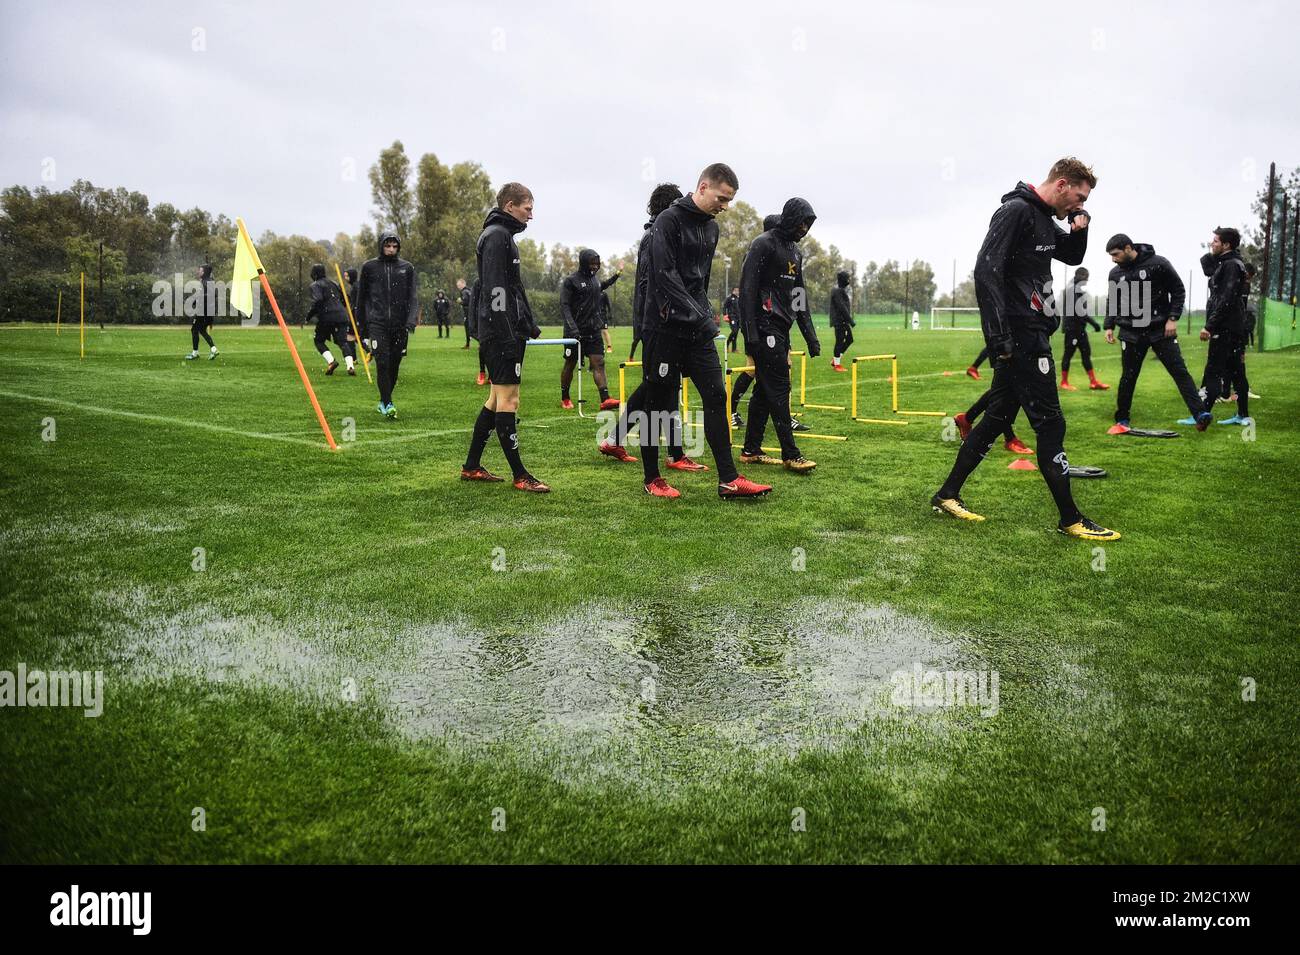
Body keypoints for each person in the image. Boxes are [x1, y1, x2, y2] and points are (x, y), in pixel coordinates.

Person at [930, 157, 1119, 540]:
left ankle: (947, 494)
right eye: (1078, 198)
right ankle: (1071, 518)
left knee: (996, 419)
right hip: (1020, 338)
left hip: (1032, 333)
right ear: (1062, 184)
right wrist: (998, 337)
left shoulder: (1045, 219)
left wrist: (1081, 226)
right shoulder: (1015, 211)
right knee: (1051, 424)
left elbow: (1072, 255)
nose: (1078, 205)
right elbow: (986, 271)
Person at [639, 162, 771, 499]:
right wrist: (697, 316)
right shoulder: (667, 222)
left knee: (716, 395)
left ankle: (729, 479)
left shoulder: (711, 229)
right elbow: (665, 277)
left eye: (729, 200)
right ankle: (652, 478)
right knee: (657, 402)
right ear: (702, 187)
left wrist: (703, 315)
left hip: (696, 329)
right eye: (722, 197)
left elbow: (700, 282)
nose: (725, 206)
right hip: (664, 329)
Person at [599, 182, 705, 471]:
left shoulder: (666, 233)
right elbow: (649, 284)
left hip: (668, 325)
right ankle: (665, 458)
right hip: (657, 326)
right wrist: (658, 321)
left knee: (661, 387)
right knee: (659, 388)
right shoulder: (654, 236)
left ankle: (630, 442)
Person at [460, 182, 550, 492]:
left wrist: (528, 323)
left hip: (502, 330)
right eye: (528, 208)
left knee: (496, 400)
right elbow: (496, 289)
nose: (531, 215)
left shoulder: (501, 235)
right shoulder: (498, 236)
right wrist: (507, 330)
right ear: (510, 205)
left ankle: (471, 467)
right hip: (501, 333)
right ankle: (520, 475)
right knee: (509, 400)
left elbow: (508, 288)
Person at [736, 197, 821, 473]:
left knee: (764, 391)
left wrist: (811, 336)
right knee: (779, 388)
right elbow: (747, 289)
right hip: (764, 327)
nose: (804, 229)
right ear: (790, 217)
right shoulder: (764, 243)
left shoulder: (795, 253)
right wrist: (750, 334)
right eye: (802, 222)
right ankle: (790, 454)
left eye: (808, 224)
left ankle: (751, 450)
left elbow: (799, 296)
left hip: (781, 329)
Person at [1101, 234, 1206, 431]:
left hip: (1160, 330)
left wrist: (1172, 318)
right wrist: (1109, 325)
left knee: (1179, 372)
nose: (1113, 259)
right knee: (1128, 377)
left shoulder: (1159, 263)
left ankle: (1200, 413)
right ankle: (1122, 419)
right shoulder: (1115, 273)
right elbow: (1113, 301)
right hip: (1130, 333)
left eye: (1115, 254)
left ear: (1128, 248)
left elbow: (1178, 290)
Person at [355, 231, 419, 419]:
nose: (391, 249)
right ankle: (388, 403)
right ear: (381, 246)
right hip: (378, 324)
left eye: (394, 246)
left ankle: (384, 400)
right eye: (387, 246)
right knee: (382, 363)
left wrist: (410, 320)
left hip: (400, 326)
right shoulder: (369, 267)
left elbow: (413, 297)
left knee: (394, 365)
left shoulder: (407, 268)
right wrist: (362, 329)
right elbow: (361, 299)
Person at [1192, 227, 1252, 427]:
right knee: (1236, 371)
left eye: (1215, 241)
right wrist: (1212, 252)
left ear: (1226, 245)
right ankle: (1242, 415)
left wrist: (1209, 326)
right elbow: (1206, 265)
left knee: (1214, 370)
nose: (1212, 243)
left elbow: (1226, 299)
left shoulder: (1232, 265)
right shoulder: (1226, 262)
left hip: (1226, 328)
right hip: (1231, 327)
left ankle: (1202, 415)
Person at [730, 214, 780, 428]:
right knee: (752, 369)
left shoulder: (776, 253)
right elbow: (749, 293)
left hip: (773, 323)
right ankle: (730, 410)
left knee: (778, 368)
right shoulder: (757, 252)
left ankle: (779, 414)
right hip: (756, 323)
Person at [559, 250, 621, 410]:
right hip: (574, 333)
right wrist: (572, 328)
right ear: (584, 262)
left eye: (597, 263)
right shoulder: (570, 281)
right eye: (592, 263)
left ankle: (605, 399)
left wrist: (617, 275)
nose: (595, 267)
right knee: (570, 364)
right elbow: (564, 306)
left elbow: (603, 285)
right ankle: (565, 397)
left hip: (593, 331)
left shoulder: (595, 281)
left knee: (598, 363)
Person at [1059, 267, 1106, 390]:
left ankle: (1093, 382)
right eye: (1086, 276)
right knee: (1068, 354)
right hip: (1072, 329)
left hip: (1080, 329)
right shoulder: (1071, 290)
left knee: (1086, 354)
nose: (1087, 279)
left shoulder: (1076, 289)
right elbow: (1079, 311)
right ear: (1079, 275)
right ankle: (1064, 383)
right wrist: (1094, 323)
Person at [306, 263, 356, 376]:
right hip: (342, 316)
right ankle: (350, 366)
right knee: (343, 341)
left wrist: (309, 315)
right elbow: (346, 299)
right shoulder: (334, 283)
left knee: (318, 340)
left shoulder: (315, 285)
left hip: (327, 317)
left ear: (314, 274)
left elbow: (318, 300)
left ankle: (331, 362)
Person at [185, 264, 218, 360]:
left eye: (201, 271)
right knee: (201, 330)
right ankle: (214, 349)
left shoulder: (207, 282)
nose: (199, 272)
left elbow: (212, 295)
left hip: (204, 311)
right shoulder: (205, 281)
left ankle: (195, 353)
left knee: (195, 330)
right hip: (206, 311)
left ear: (204, 273)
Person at [829, 270, 855, 372]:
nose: (848, 280)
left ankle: (835, 360)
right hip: (839, 321)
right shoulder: (837, 291)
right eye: (847, 278)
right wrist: (850, 320)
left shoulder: (841, 291)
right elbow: (842, 307)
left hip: (843, 321)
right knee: (839, 341)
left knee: (849, 339)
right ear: (844, 279)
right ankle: (837, 365)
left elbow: (843, 307)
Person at [723, 286, 741, 353]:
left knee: (735, 333)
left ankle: (734, 349)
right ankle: (727, 344)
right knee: (734, 331)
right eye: (735, 290)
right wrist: (725, 315)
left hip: (738, 318)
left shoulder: (739, 298)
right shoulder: (729, 298)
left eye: (738, 290)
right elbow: (725, 306)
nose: (737, 292)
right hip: (732, 317)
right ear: (732, 291)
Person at [600, 289, 614, 354]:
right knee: (597, 332)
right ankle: (601, 347)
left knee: (604, 331)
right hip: (595, 315)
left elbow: (608, 304)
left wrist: (610, 313)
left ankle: (609, 347)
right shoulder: (594, 292)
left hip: (603, 315)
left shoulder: (604, 294)